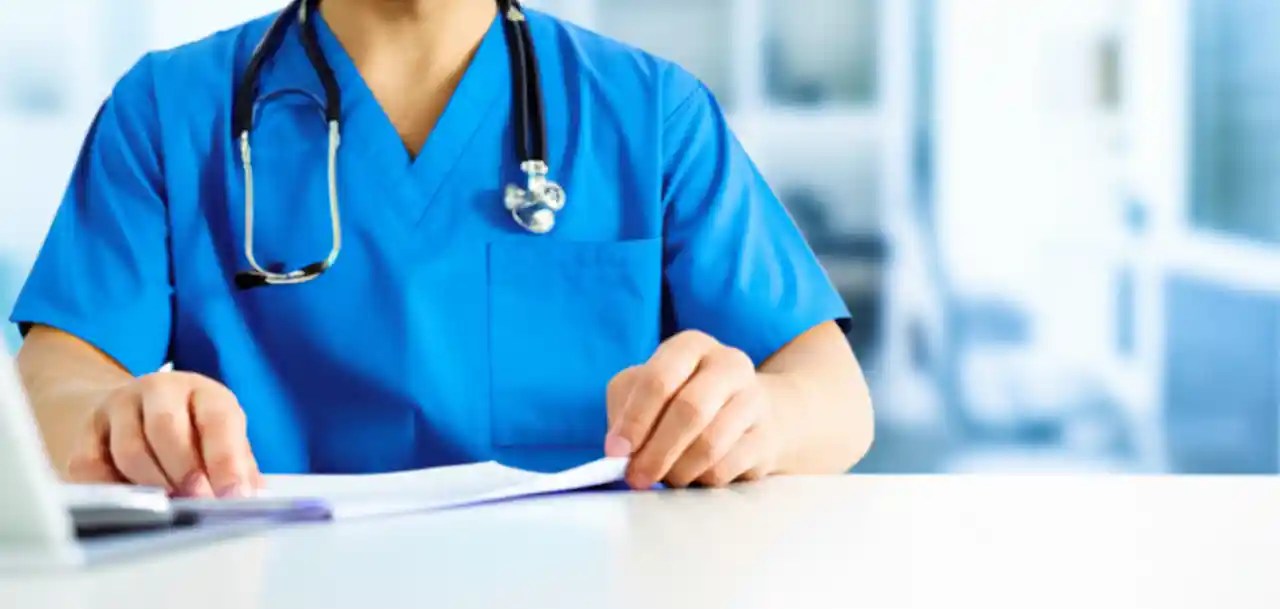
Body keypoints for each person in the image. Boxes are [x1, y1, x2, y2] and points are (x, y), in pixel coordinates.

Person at [10, 0, 874, 499]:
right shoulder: (170, 109)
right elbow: (51, 384)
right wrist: (110, 421)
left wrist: (758, 417)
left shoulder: (649, 112)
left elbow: (832, 395)